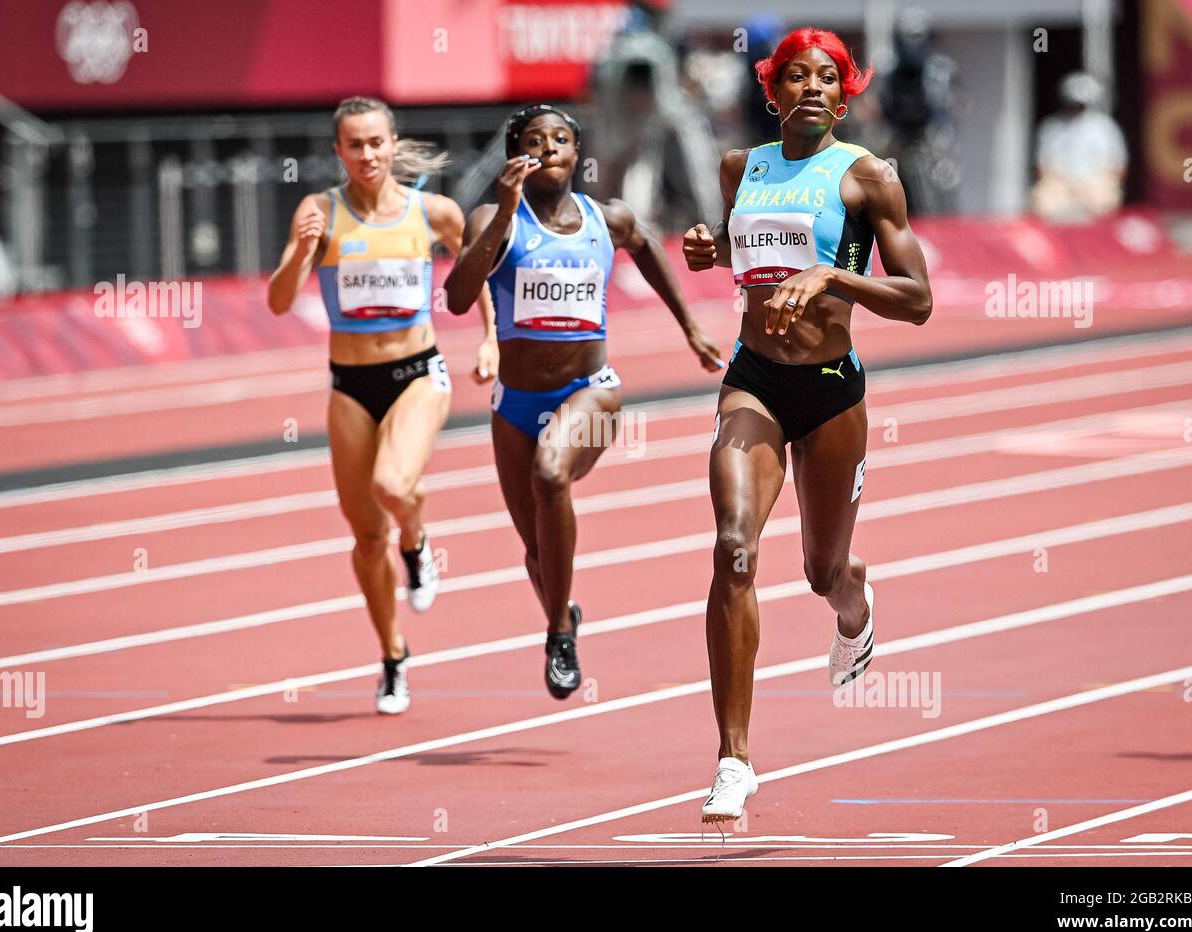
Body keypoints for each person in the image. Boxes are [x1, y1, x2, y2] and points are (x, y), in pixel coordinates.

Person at [681, 28, 932, 822]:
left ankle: (853, 597)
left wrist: (832, 276)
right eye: (797, 76)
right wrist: (708, 248)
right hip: (753, 381)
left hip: (829, 390)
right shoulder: (741, 167)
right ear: (773, 90)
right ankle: (733, 760)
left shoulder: (867, 177)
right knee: (733, 549)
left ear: (846, 91)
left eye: (830, 77)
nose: (814, 87)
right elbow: (743, 250)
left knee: (819, 570)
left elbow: (918, 299)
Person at [446, 104, 724, 700]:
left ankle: (557, 639)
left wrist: (690, 328)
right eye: (535, 140)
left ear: (577, 151)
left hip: (592, 394)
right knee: (535, 555)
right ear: (514, 153)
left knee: (552, 475)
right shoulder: (492, 218)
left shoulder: (608, 217)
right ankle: (563, 610)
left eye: (562, 139)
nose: (550, 147)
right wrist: (500, 218)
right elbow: (456, 296)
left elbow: (648, 249)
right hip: (515, 403)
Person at [267, 96, 495, 716]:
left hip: (418, 373)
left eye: (376, 142)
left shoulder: (434, 212)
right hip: (349, 384)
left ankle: (417, 547)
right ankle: (393, 656)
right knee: (367, 537)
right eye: (354, 145)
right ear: (338, 151)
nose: (367, 155)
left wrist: (491, 339)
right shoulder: (320, 211)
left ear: (394, 144)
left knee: (393, 484)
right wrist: (298, 253)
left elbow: (477, 273)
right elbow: (280, 302)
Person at [1032, 71, 1127, 224]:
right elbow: (1043, 167)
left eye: (1079, 105)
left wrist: (1088, 187)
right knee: (1043, 197)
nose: (1075, 109)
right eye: (1071, 104)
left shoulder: (1104, 127)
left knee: (1105, 196)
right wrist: (1069, 186)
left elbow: (1117, 167)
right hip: (1062, 183)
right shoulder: (1051, 126)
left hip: (1093, 184)